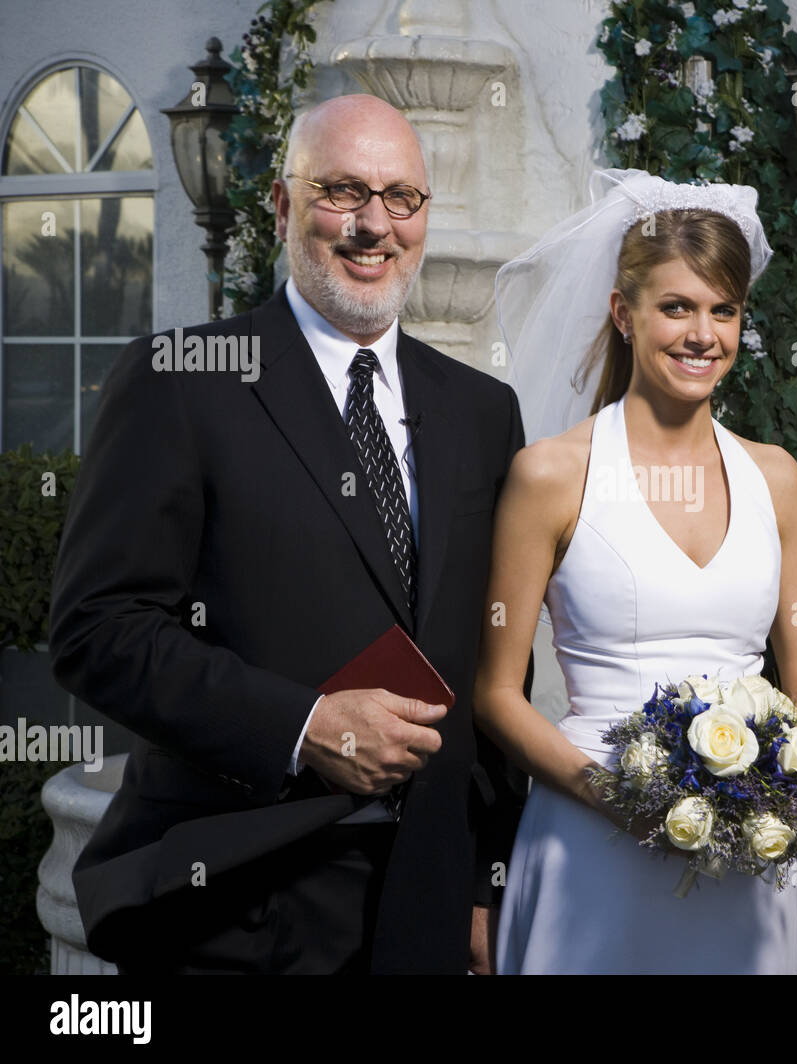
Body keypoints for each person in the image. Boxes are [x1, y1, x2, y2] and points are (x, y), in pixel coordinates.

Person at [48, 94, 523, 974]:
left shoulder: (482, 412)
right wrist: (304, 725)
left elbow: (494, 667)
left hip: (423, 899)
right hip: (237, 897)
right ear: (281, 204)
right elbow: (96, 631)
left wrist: (483, 880)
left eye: (401, 198)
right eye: (343, 190)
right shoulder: (180, 380)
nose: (374, 225)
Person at [475, 169, 797, 974]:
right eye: (676, 307)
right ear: (622, 314)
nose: (702, 333)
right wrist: (624, 799)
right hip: (590, 846)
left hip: (747, 863)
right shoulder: (550, 475)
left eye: (723, 310)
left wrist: (764, 792)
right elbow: (495, 692)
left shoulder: (775, 478)